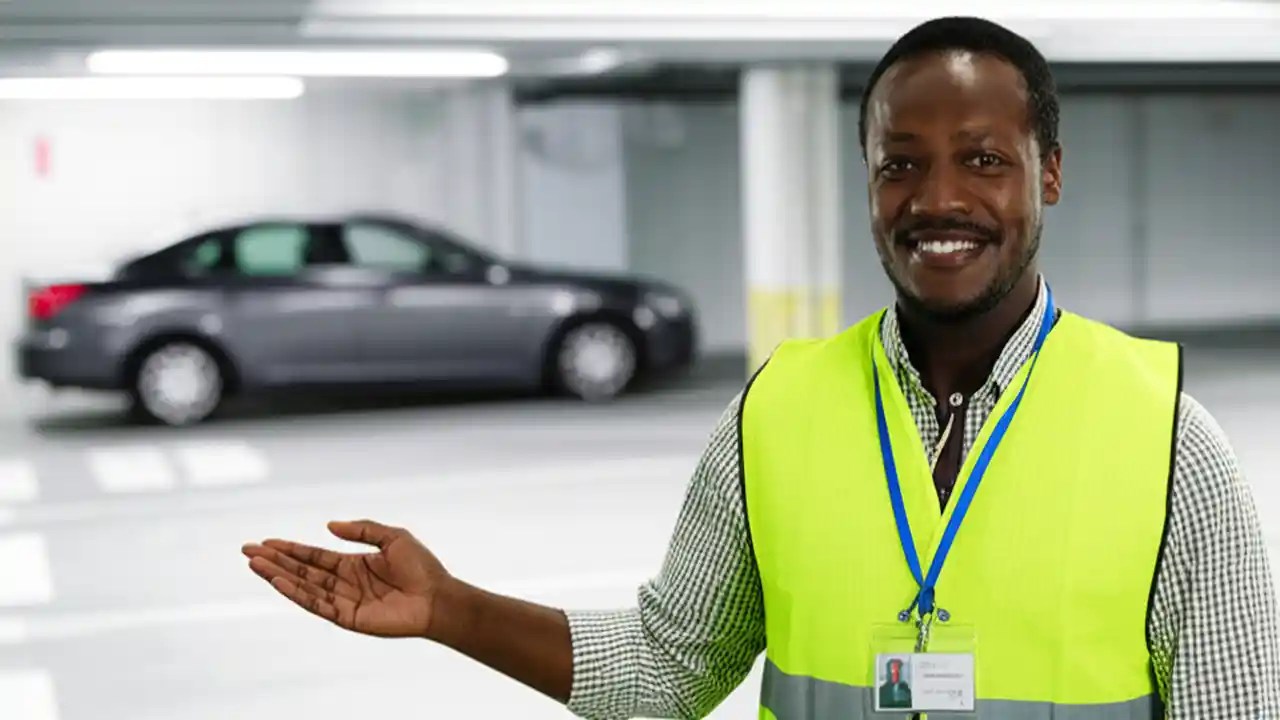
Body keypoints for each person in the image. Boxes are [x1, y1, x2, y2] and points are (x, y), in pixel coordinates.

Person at [241, 16, 1280, 719]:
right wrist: (450, 610)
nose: (936, 198)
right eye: (899, 164)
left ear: (1046, 173)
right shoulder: (774, 413)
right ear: (866, 181)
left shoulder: (1168, 439)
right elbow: (668, 667)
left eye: (983, 158)